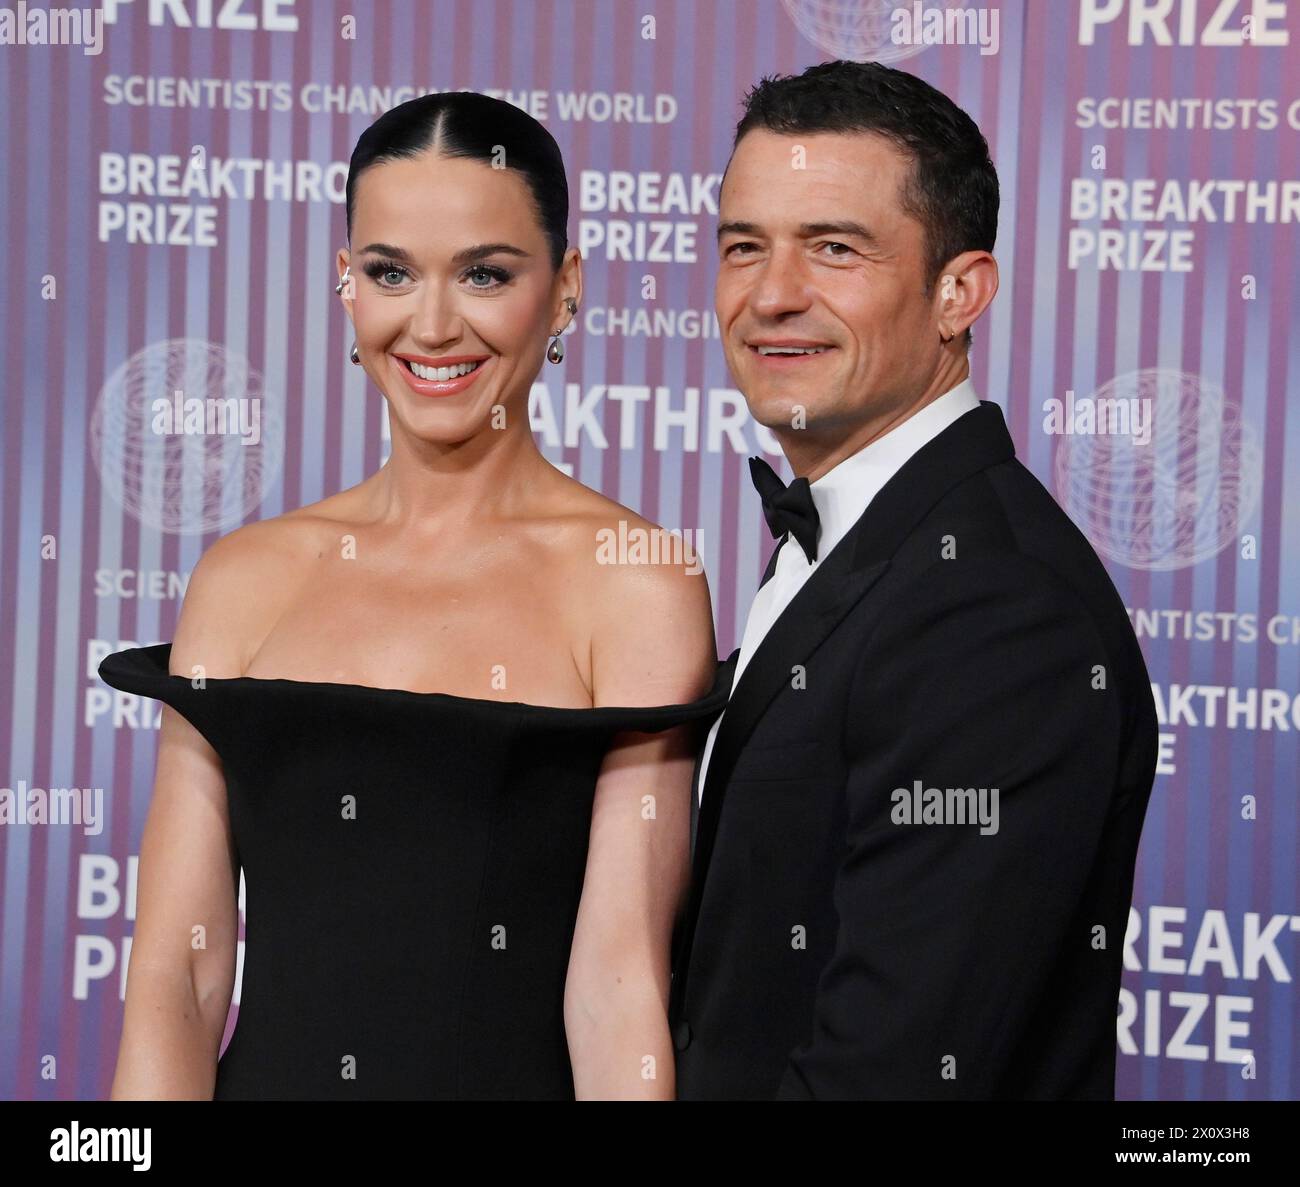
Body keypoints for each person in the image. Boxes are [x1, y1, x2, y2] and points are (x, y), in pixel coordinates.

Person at [99, 91, 727, 1100]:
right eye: (391, 272)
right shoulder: (244, 579)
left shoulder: (634, 580)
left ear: (564, 290)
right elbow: (177, 977)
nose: (433, 325)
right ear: (346, 285)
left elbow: (617, 988)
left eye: (484, 274)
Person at [668, 60, 1159, 1099]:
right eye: (742, 247)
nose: (771, 296)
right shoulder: (867, 533)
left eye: (834, 249)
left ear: (959, 292)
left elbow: (888, 1075)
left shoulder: (996, 611)